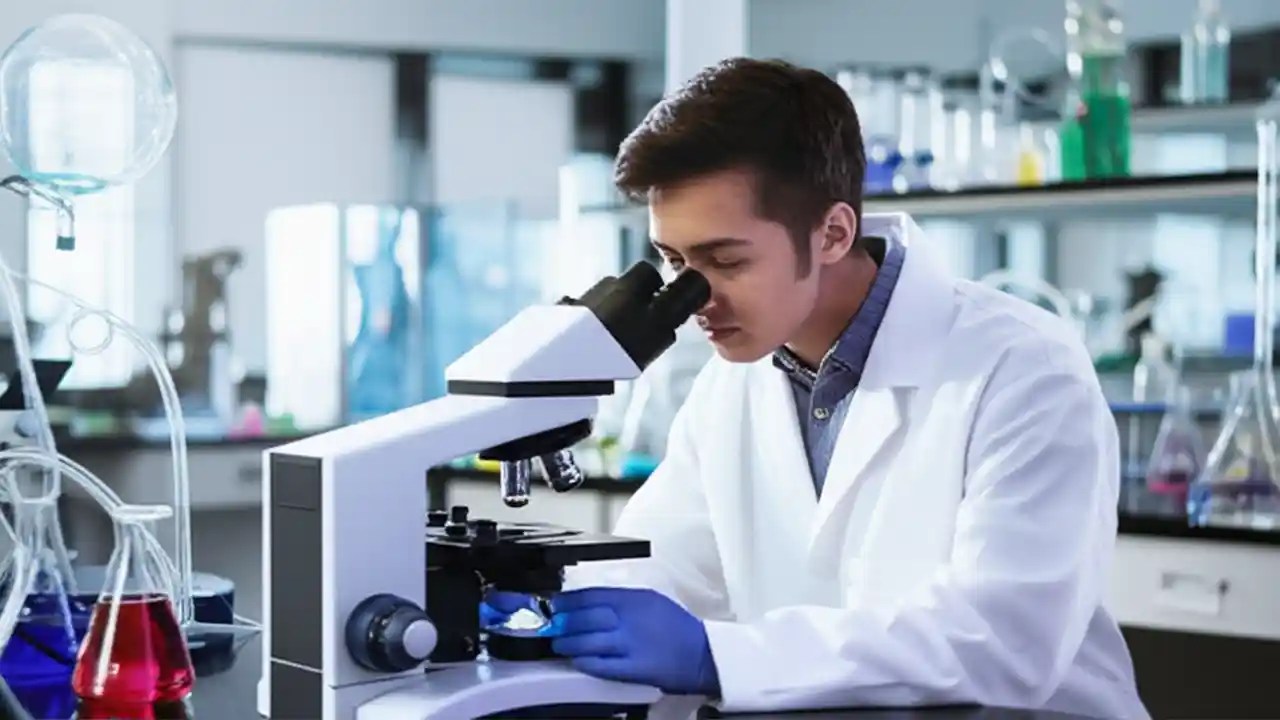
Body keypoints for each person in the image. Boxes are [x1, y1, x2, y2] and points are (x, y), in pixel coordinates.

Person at [487, 58, 1149, 719]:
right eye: (675, 261)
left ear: (832, 233)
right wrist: (557, 611)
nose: (694, 299)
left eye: (726, 260)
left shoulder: (1022, 366)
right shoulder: (730, 385)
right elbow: (664, 567)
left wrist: (715, 658)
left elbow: (1004, 641)